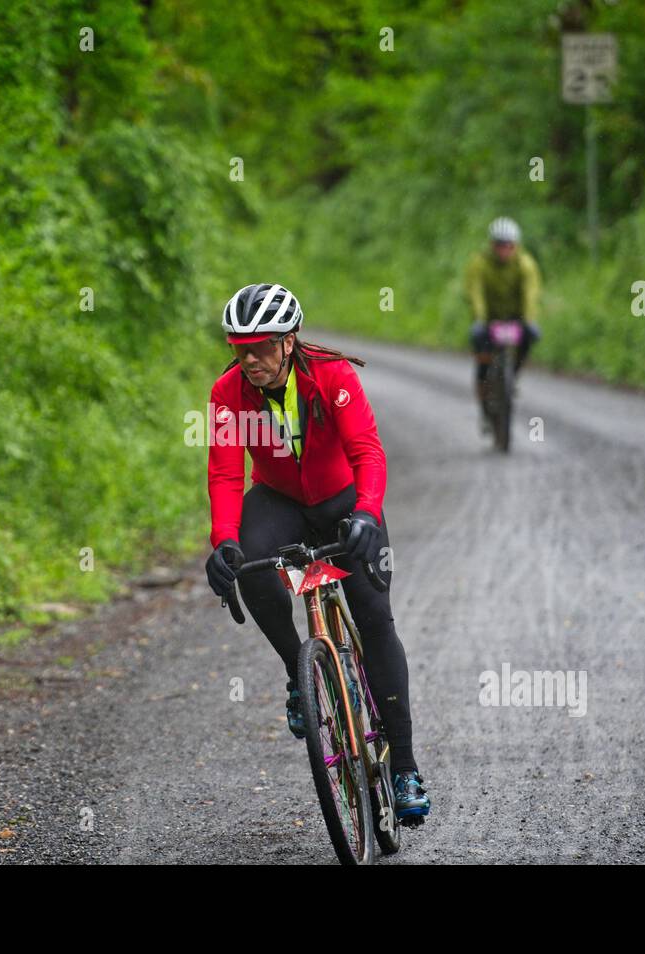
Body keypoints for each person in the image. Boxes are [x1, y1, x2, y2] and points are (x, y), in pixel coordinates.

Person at [203, 282, 430, 823]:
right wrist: (223, 540)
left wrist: (368, 512)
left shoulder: (331, 375)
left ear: (289, 341)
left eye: (260, 347)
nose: (249, 359)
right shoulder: (228, 394)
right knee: (249, 560)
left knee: (374, 620)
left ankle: (404, 768)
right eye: (240, 348)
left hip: (343, 500)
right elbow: (226, 473)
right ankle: (299, 677)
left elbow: (367, 451)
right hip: (280, 501)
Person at [463, 216, 542, 428]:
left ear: (515, 245)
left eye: (508, 245)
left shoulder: (526, 265)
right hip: (489, 319)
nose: (504, 250)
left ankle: (512, 375)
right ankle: (484, 404)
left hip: (516, 318)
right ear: (492, 245)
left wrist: (528, 319)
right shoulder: (479, 264)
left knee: (531, 335)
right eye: (499, 245)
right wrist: (480, 319)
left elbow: (530, 293)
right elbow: (475, 292)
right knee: (481, 354)